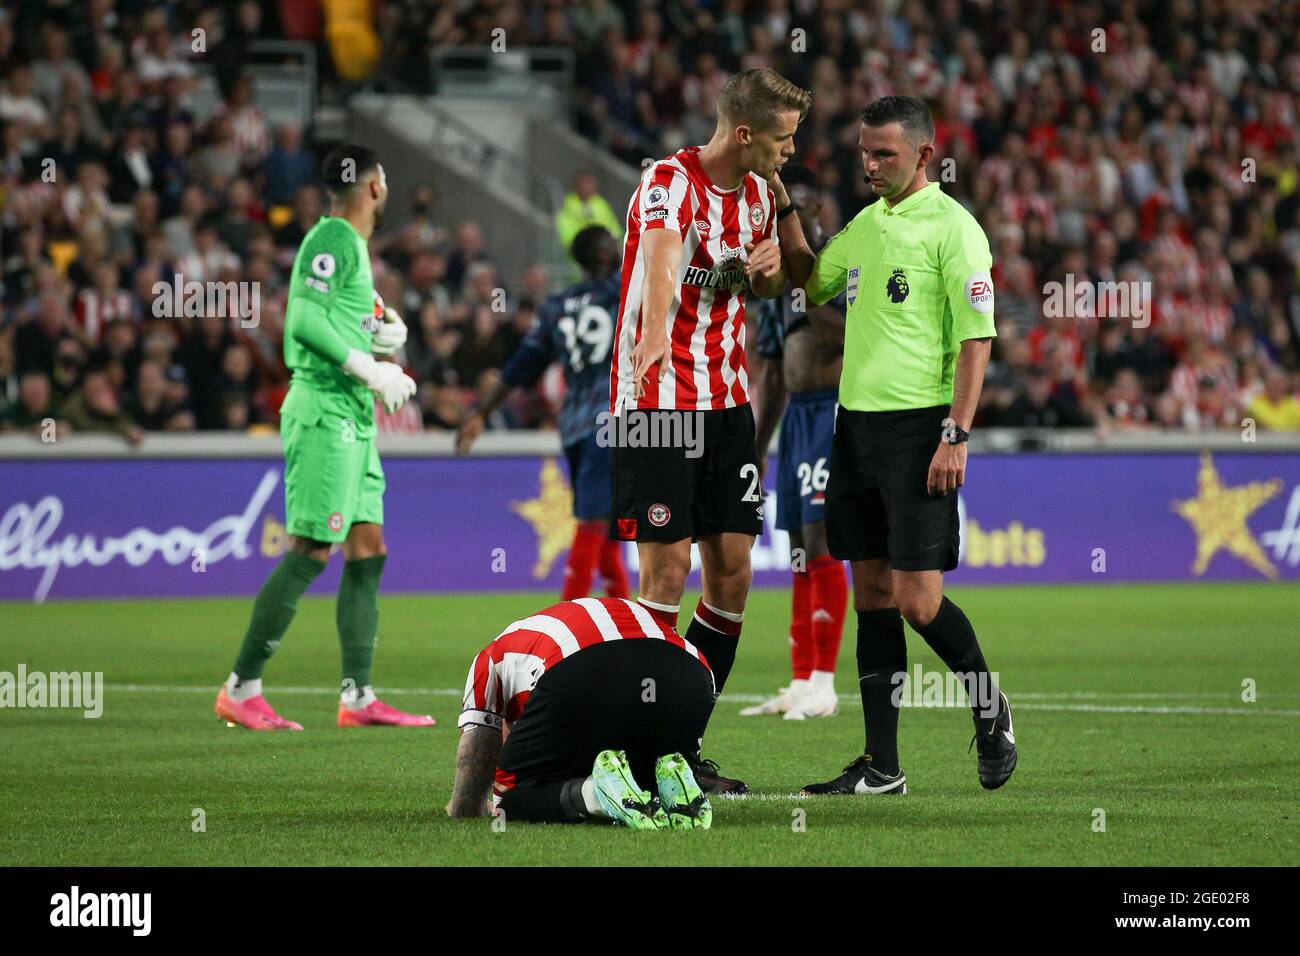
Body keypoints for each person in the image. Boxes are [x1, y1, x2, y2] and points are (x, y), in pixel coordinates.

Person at [780, 96, 1017, 795]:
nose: (869, 165)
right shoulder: (863, 225)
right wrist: (784, 213)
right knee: (873, 595)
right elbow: (806, 279)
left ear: (923, 155)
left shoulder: (955, 229)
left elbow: (977, 338)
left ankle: (989, 707)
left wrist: (956, 432)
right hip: (854, 428)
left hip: (921, 430)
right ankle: (882, 767)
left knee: (918, 600)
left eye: (883, 154)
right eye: (863, 152)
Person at [607, 67, 811, 794]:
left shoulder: (759, 196)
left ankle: (680, 747)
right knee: (665, 577)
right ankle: (633, 752)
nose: (792, 152)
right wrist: (656, 329)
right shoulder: (669, 179)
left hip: (727, 405)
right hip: (658, 402)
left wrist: (769, 268)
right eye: (784, 138)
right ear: (746, 132)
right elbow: (664, 258)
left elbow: (766, 285)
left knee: (730, 575)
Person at [214, 144, 425, 730]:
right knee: (311, 547)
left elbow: (337, 319)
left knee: (368, 547)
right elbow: (303, 322)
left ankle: (358, 697)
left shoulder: (350, 248)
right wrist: (371, 367)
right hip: (325, 413)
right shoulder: (332, 237)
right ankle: (242, 686)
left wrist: (382, 333)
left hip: (354, 418)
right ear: (376, 187)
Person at [455, 225, 629, 600]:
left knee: (606, 518)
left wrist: (481, 412)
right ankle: (570, 615)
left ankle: (620, 613)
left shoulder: (556, 306)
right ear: (603, 256)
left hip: (574, 426)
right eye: (613, 245)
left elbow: (521, 366)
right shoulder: (625, 290)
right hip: (615, 419)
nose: (620, 249)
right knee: (596, 520)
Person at [446, 597, 715, 829]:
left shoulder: (489, 657)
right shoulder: (539, 633)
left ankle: (594, 794)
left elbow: (471, 784)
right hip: (692, 672)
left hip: (584, 667)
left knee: (511, 803)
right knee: (634, 773)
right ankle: (673, 780)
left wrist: (470, 804)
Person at [745, 164, 850, 721]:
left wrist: (807, 299)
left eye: (802, 201)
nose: (795, 211)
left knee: (821, 538)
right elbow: (777, 372)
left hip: (833, 414)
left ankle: (825, 684)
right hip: (796, 424)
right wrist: (760, 446)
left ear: (818, 209)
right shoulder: (774, 281)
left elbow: (865, 336)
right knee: (797, 548)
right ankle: (802, 677)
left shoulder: (836, 267)